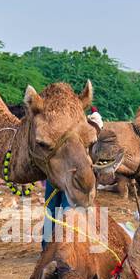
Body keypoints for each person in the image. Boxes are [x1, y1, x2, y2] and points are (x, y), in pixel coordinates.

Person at [41, 105, 103, 246]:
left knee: (52, 209)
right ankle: (62, 247)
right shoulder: (84, 133)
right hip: (72, 176)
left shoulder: (58, 130)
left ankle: (47, 247)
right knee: (68, 209)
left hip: (56, 174)